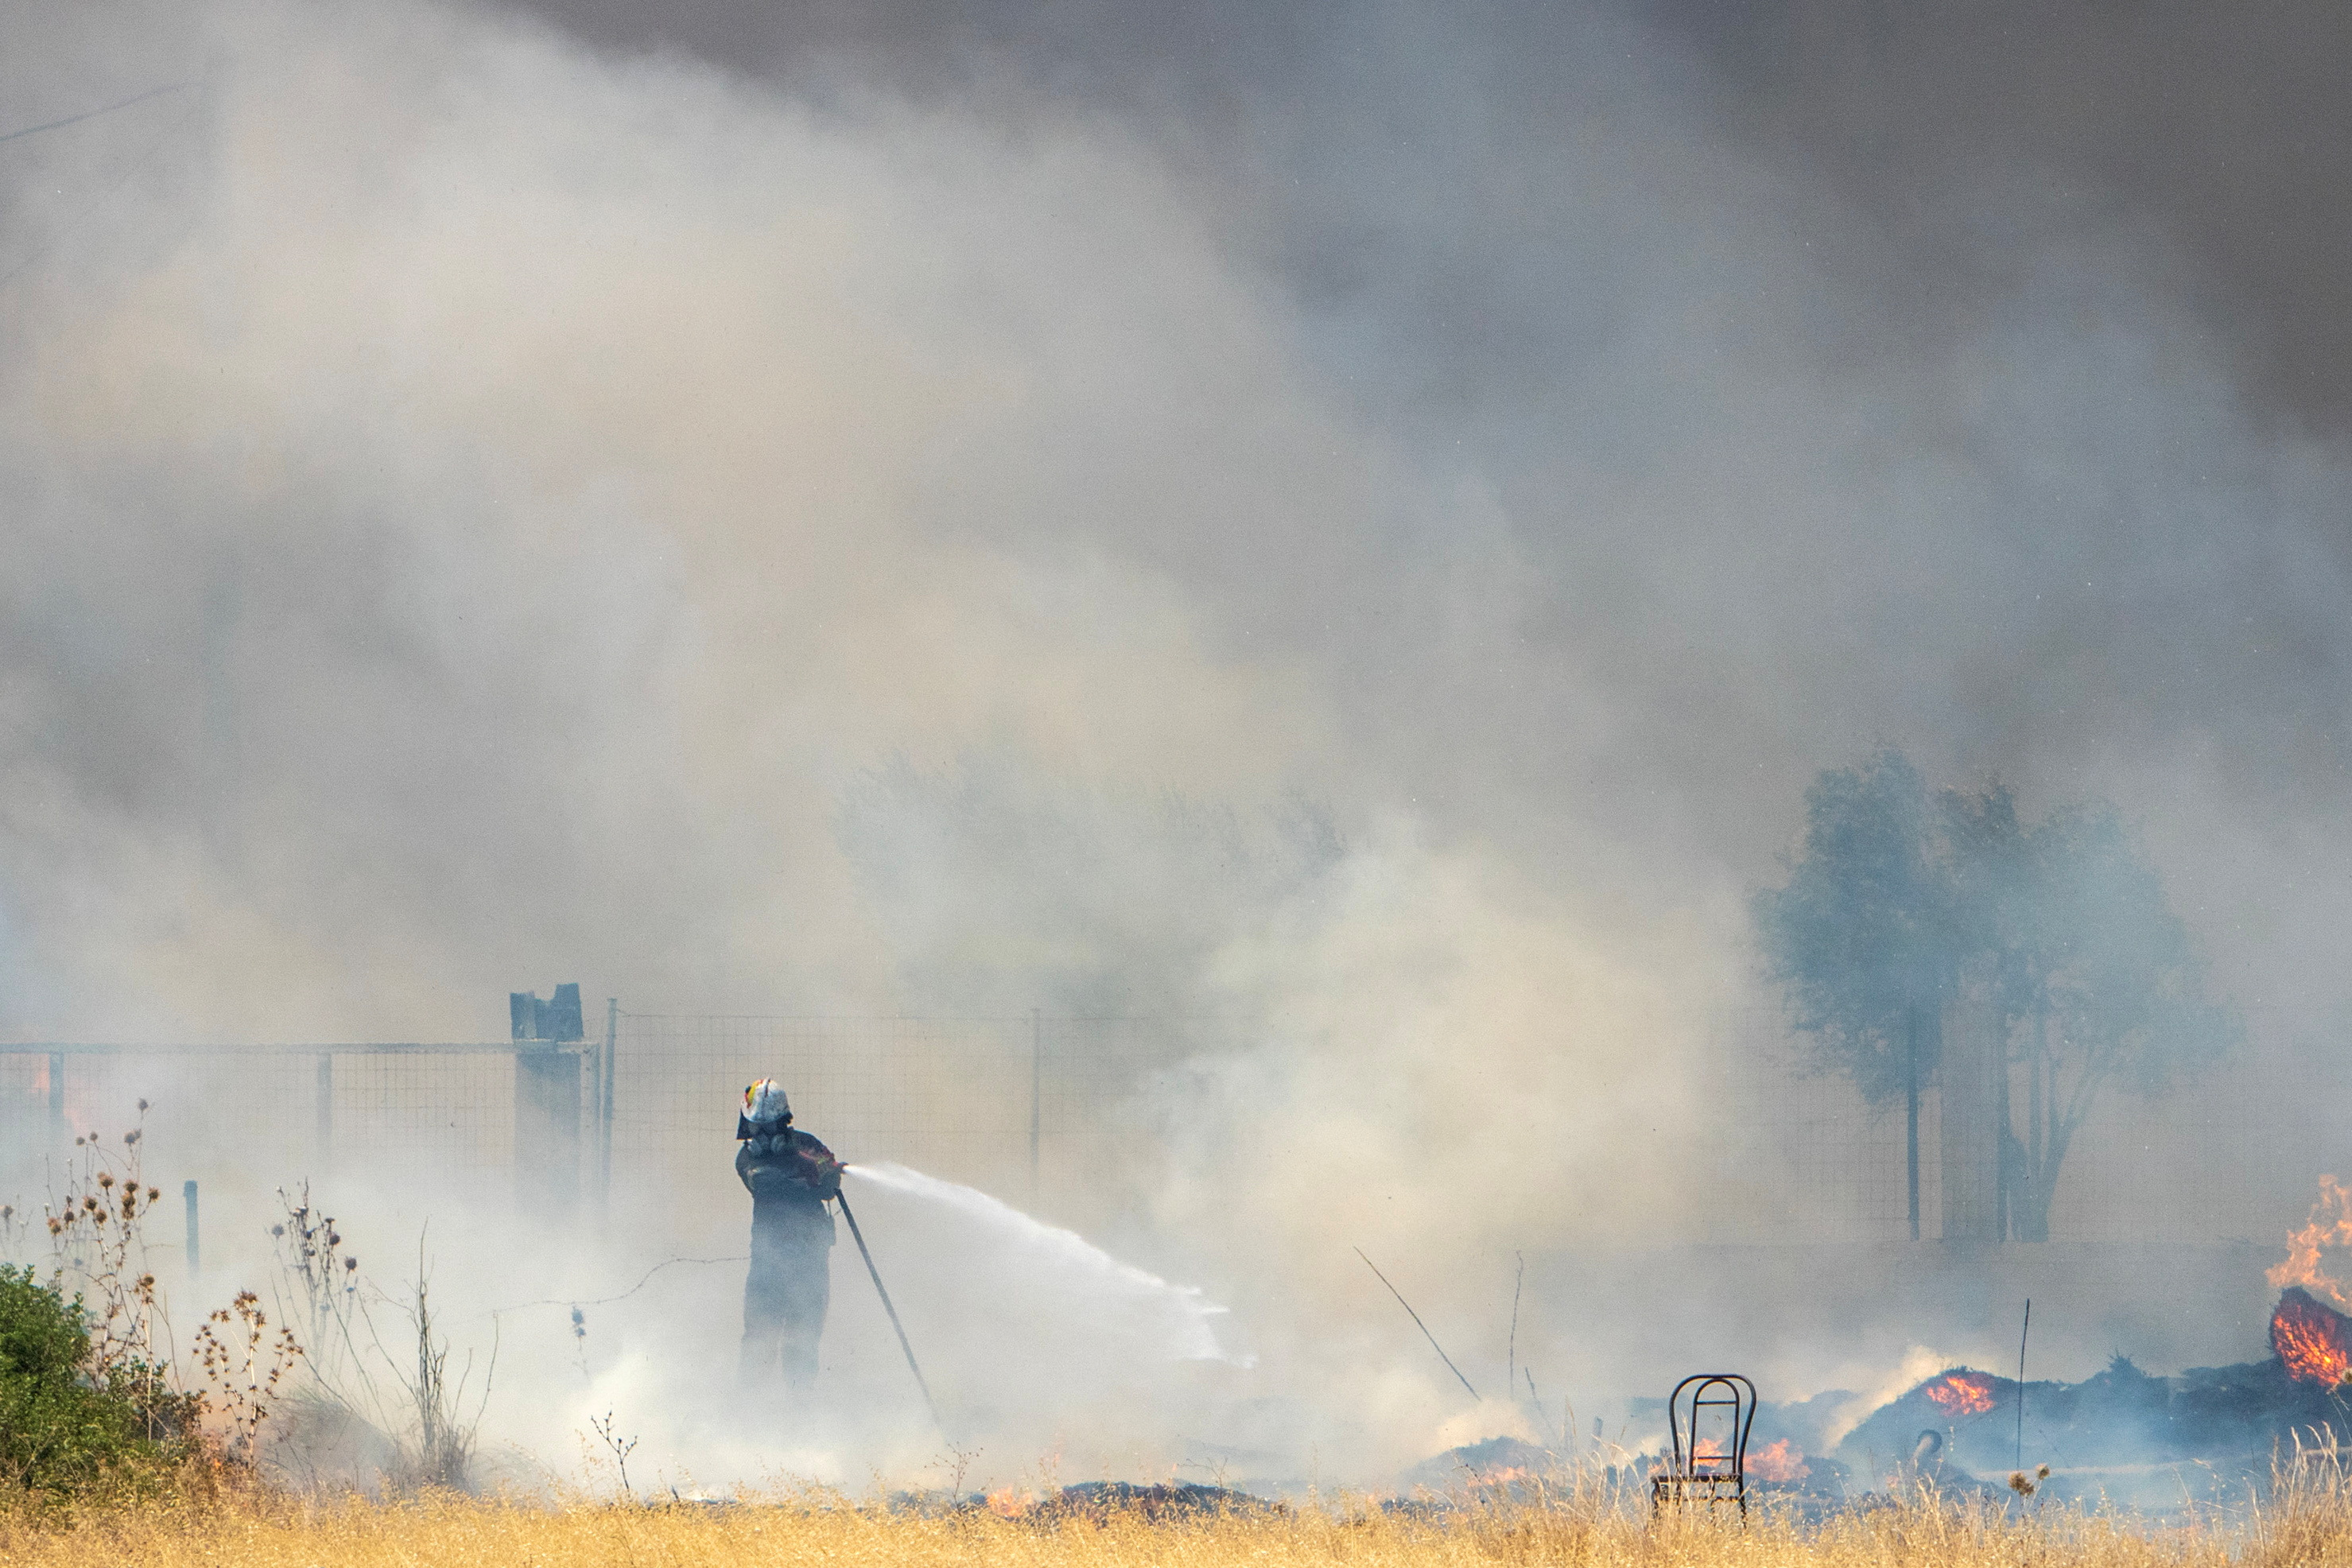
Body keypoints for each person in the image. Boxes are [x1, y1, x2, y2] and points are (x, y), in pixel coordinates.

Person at [735, 1079, 842, 1388]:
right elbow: (766, 1183)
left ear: (783, 1122)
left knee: (803, 1342)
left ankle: (800, 1409)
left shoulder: (807, 1144)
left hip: (810, 1262)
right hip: (767, 1265)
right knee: (759, 1340)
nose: (762, 1136)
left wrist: (826, 1170)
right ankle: (746, 1406)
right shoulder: (748, 1159)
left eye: (769, 1127)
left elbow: (829, 1188)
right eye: (756, 1128)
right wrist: (801, 1168)